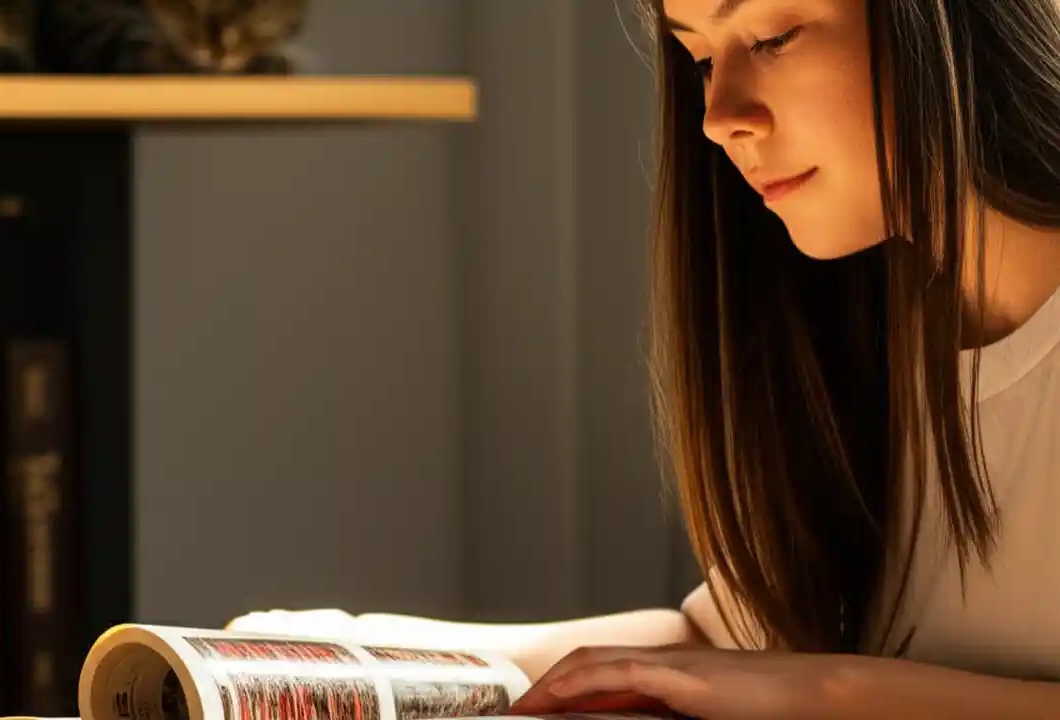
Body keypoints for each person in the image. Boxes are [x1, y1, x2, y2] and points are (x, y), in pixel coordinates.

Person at [228, 0, 1060, 717]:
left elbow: (771, 675)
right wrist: (349, 652)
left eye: (771, 37)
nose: (719, 114)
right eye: (699, 56)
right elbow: (719, 642)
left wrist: (834, 692)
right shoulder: (857, 326)